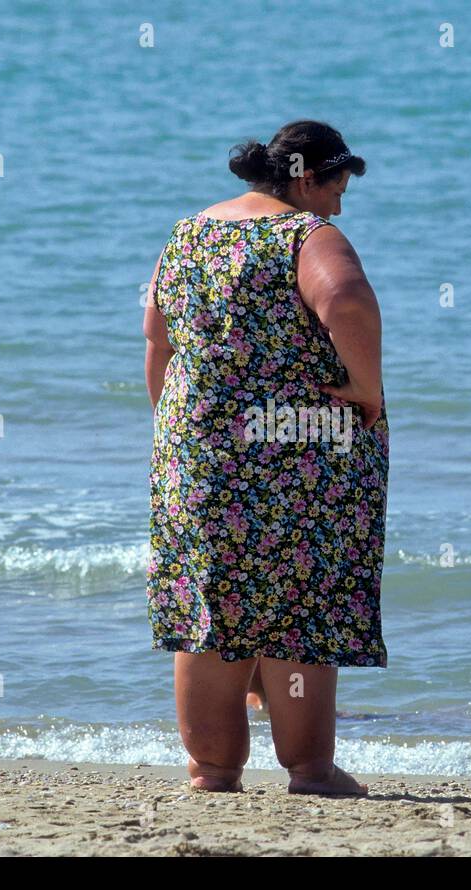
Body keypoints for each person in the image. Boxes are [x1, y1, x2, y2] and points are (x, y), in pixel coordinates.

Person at [143, 120, 389, 796]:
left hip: (198, 450)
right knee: (297, 601)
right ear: (307, 179)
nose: (338, 206)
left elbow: (157, 337)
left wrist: (177, 427)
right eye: (336, 189)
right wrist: (366, 388)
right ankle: (310, 769)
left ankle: (212, 770)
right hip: (292, 452)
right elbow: (346, 299)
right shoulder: (305, 235)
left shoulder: (190, 232)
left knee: (211, 604)